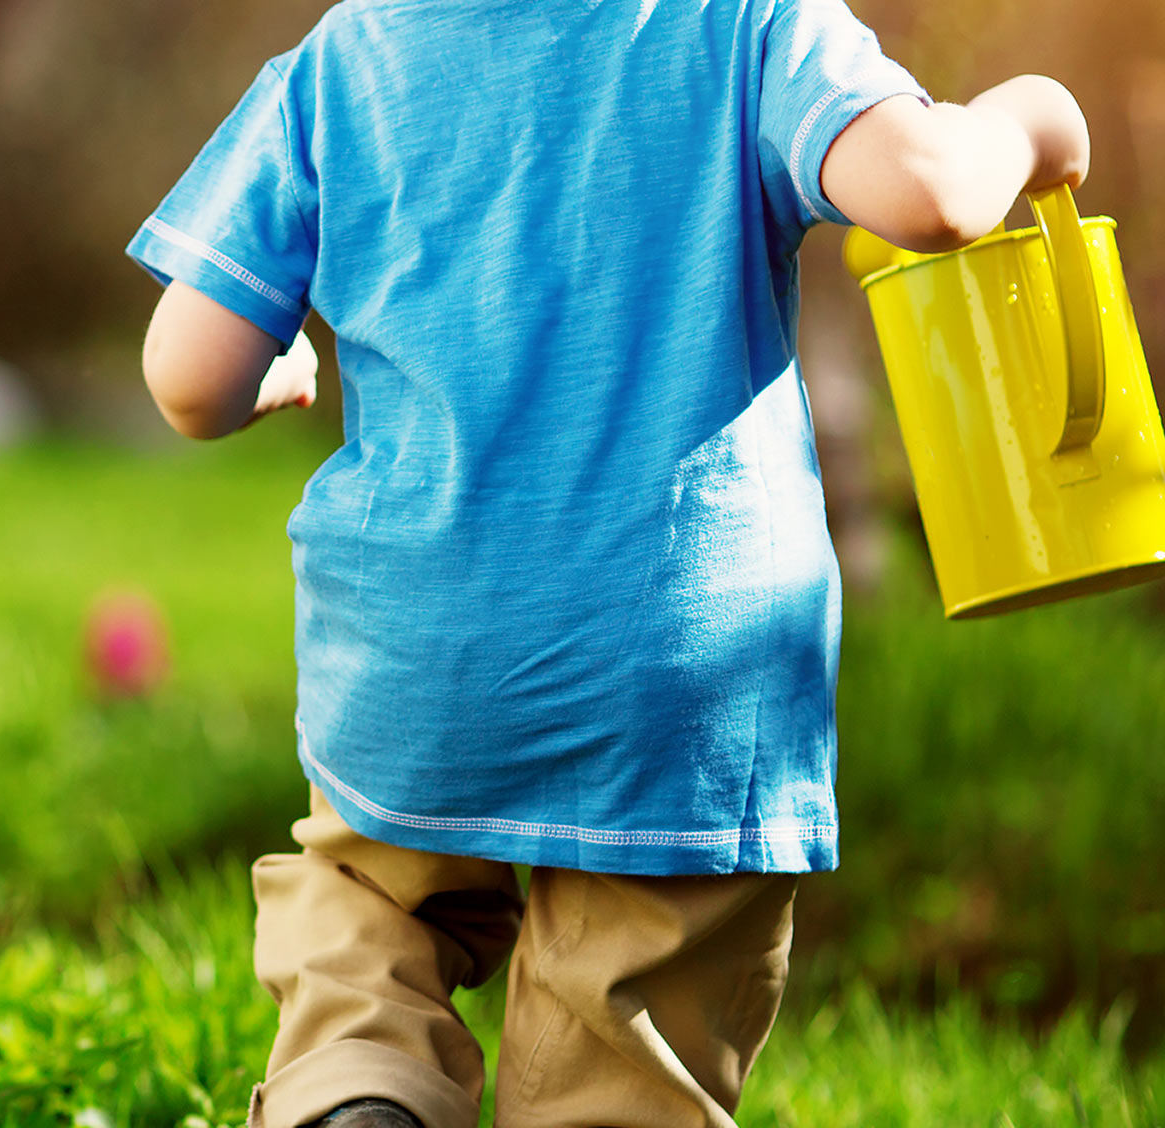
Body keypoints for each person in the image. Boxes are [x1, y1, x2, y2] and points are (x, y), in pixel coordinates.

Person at [126, 0, 1089, 1124]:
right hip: (681, 674)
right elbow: (932, 193)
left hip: (419, 666)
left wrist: (282, 371)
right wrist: (1030, 120)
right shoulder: (748, 26)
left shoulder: (345, 61)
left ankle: (358, 1086)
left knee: (367, 912)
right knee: (626, 1027)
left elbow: (190, 376)